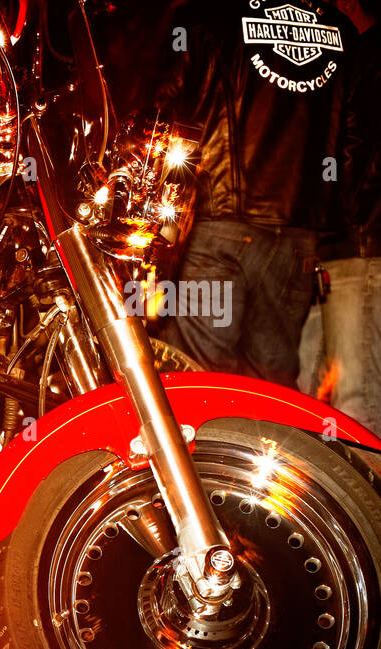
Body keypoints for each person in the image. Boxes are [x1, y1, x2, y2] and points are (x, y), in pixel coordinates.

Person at [155, 0, 358, 388]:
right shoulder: (340, 30)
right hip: (298, 227)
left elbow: (166, 106)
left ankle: (202, 448)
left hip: (218, 218)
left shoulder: (207, 13)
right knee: (272, 383)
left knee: (202, 379)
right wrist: (329, 220)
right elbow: (352, 139)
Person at [298, 0, 381, 433]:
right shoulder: (358, 58)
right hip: (341, 245)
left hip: (358, 244)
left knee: (356, 396)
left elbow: (356, 152)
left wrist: (334, 217)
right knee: (307, 395)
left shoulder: (366, 60)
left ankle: (365, 500)